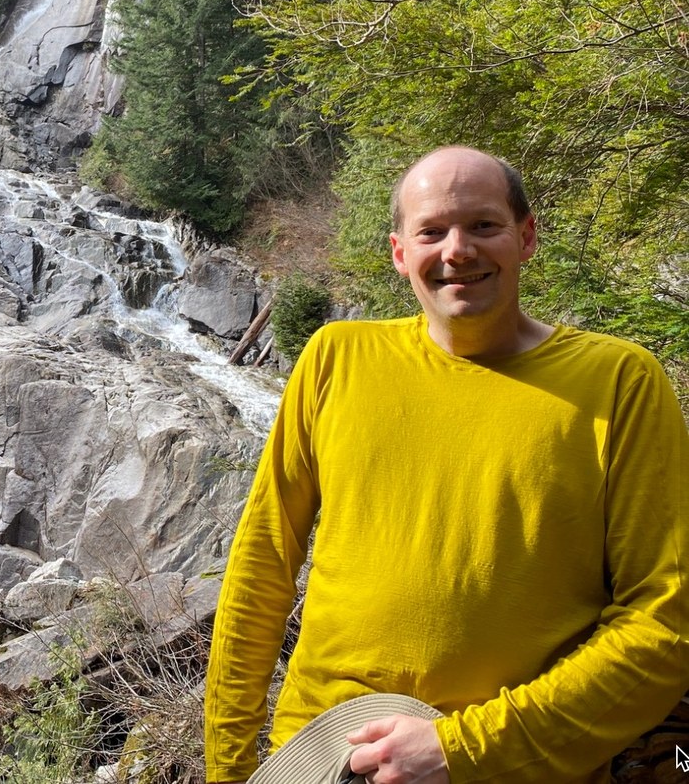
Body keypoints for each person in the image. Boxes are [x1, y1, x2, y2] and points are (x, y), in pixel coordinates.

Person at [203, 146, 687, 784]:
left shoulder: (620, 381)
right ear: (400, 253)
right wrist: (229, 765)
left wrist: (461, 748)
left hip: (515, 764)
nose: (457, 250)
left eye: (483, 225)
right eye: (431, 231)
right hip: (321, 754)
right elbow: (261, 567)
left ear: (527, 235)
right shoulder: (334, 359)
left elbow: (665, 619)